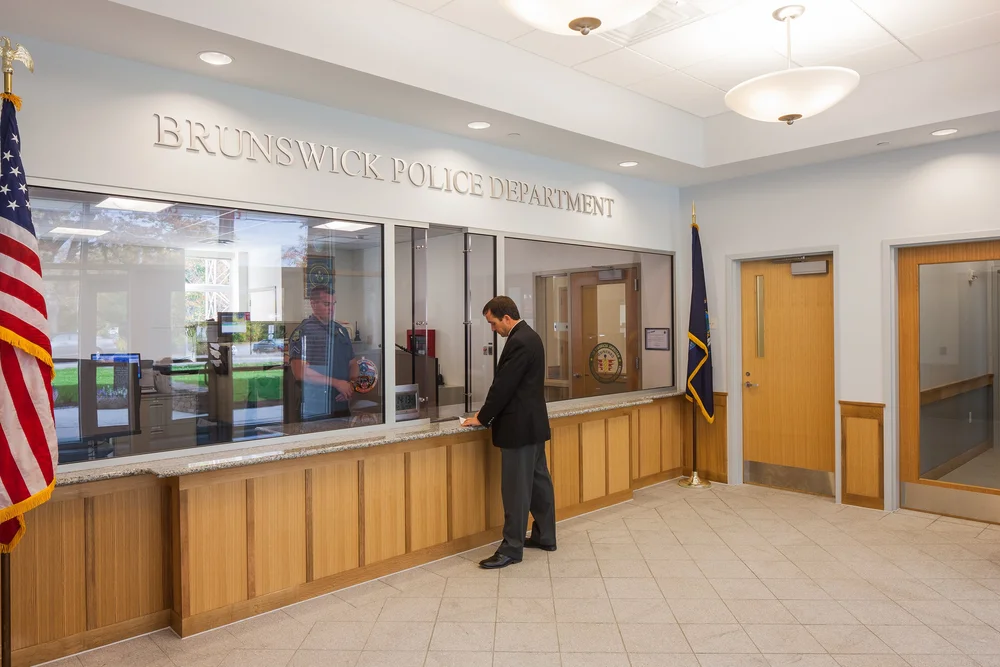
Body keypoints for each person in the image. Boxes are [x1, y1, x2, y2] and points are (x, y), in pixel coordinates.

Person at [462, 296, 556, 569]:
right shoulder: (531, 336)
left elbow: (503, 387)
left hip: (518, 429)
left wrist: (481, 417)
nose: (492, 329)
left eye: (492, 323)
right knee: (539, 483)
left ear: (506, 317)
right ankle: (545, 536)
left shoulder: (519, 342)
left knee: (516, 490)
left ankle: (512, 548)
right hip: (533, 426)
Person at [288, 285, 359, 421]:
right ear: (313, 304)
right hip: (315, 407)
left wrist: (351, 385)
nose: (331, 309)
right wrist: (337, 383)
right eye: (326, 304)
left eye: (333, 304)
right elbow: (300, 372)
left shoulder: (341, 331)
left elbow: (353, 363)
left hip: (342, 406)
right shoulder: (304, 332)